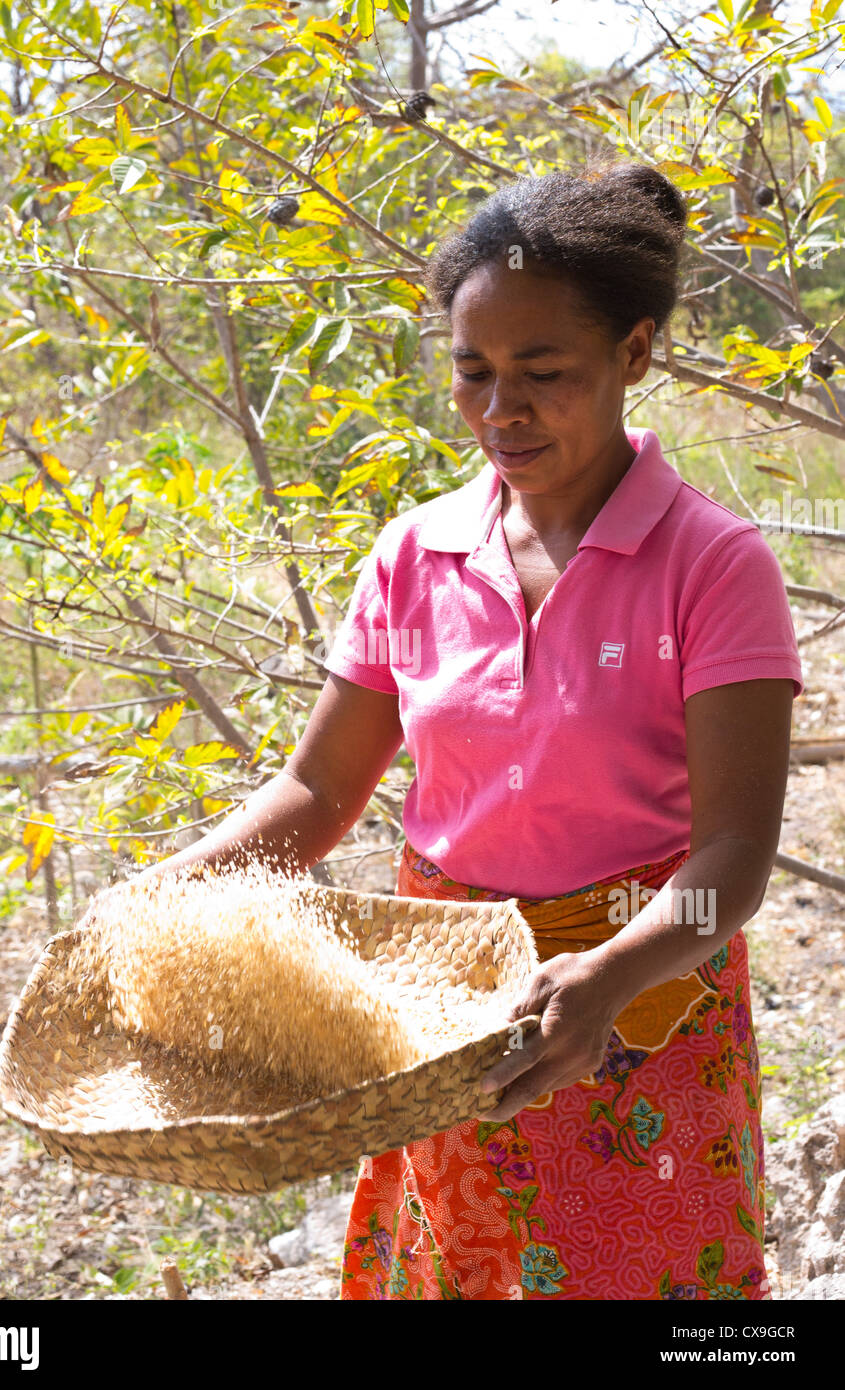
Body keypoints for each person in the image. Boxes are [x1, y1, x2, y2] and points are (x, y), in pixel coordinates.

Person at [137, 160, 804, 1300]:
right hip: (450, 1020)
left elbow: (730, 867)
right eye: (474, 372)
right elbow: (320, 789)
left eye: (543, 372)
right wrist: (166, 891)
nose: (503, 410)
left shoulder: (713, 566)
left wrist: (609, 972)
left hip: (643, 1011)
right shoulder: (415, 555)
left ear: (634, 356)